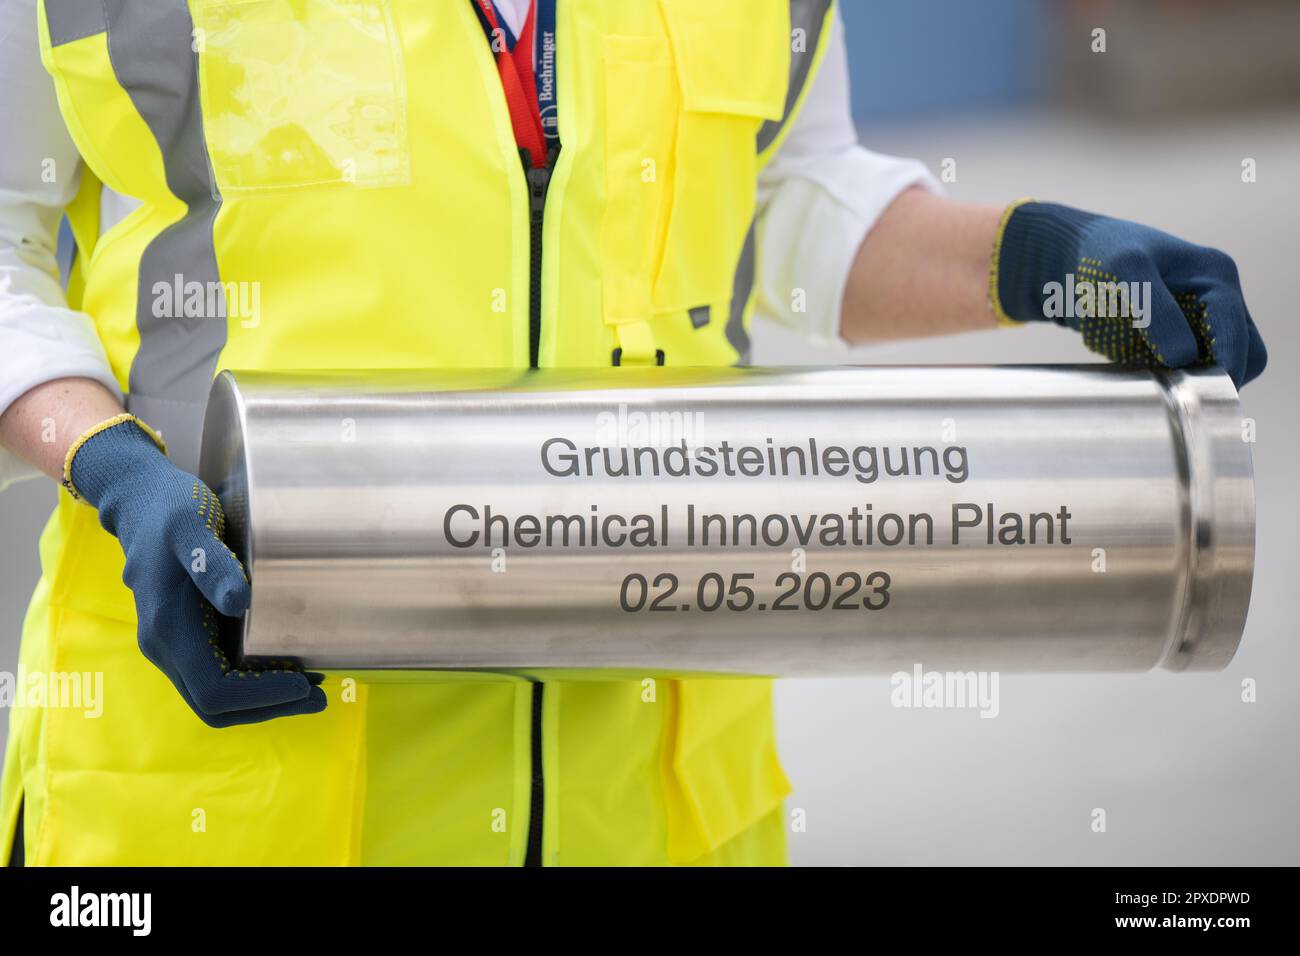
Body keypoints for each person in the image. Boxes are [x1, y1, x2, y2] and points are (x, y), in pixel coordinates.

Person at [0, 0, 1266, 867]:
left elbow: (779, 214)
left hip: (644, 801)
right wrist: (111, 467)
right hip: (235, 785)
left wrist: (1033, 259)